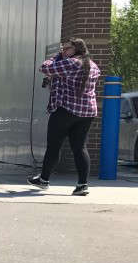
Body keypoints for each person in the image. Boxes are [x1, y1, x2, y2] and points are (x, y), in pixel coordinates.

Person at [28, 38, 101, 196]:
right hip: (87, 113)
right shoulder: (94, 65)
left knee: (54, 146)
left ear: (75, 49)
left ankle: (44, 180)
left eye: (66, 48)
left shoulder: (71, 63)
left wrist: (55, 58)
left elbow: (44, 68)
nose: (63, 51)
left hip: (66, 110)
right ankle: (82, 185)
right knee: (80, 147)